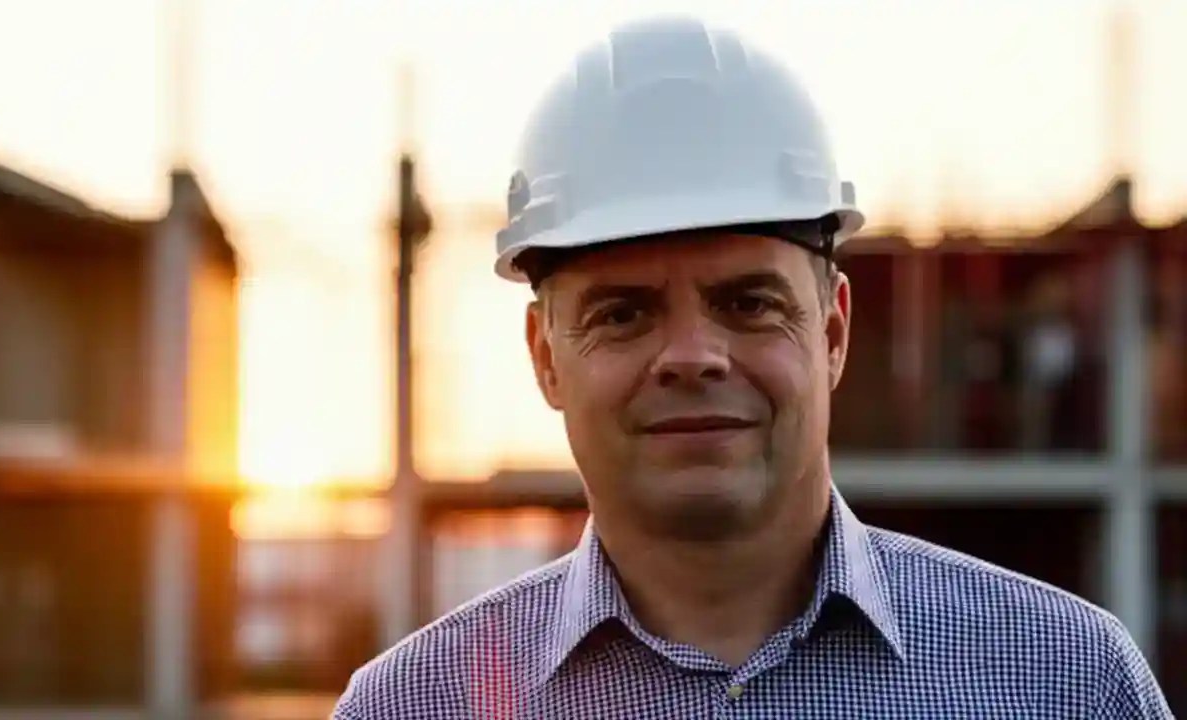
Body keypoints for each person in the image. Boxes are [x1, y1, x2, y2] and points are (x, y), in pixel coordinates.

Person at [333, 14, 1173, 718]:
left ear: (834, 332)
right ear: (545, 359)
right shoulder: (414, 706)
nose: (693, 356)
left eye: (747, 303)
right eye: (622, 313)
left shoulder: (1064, 682)